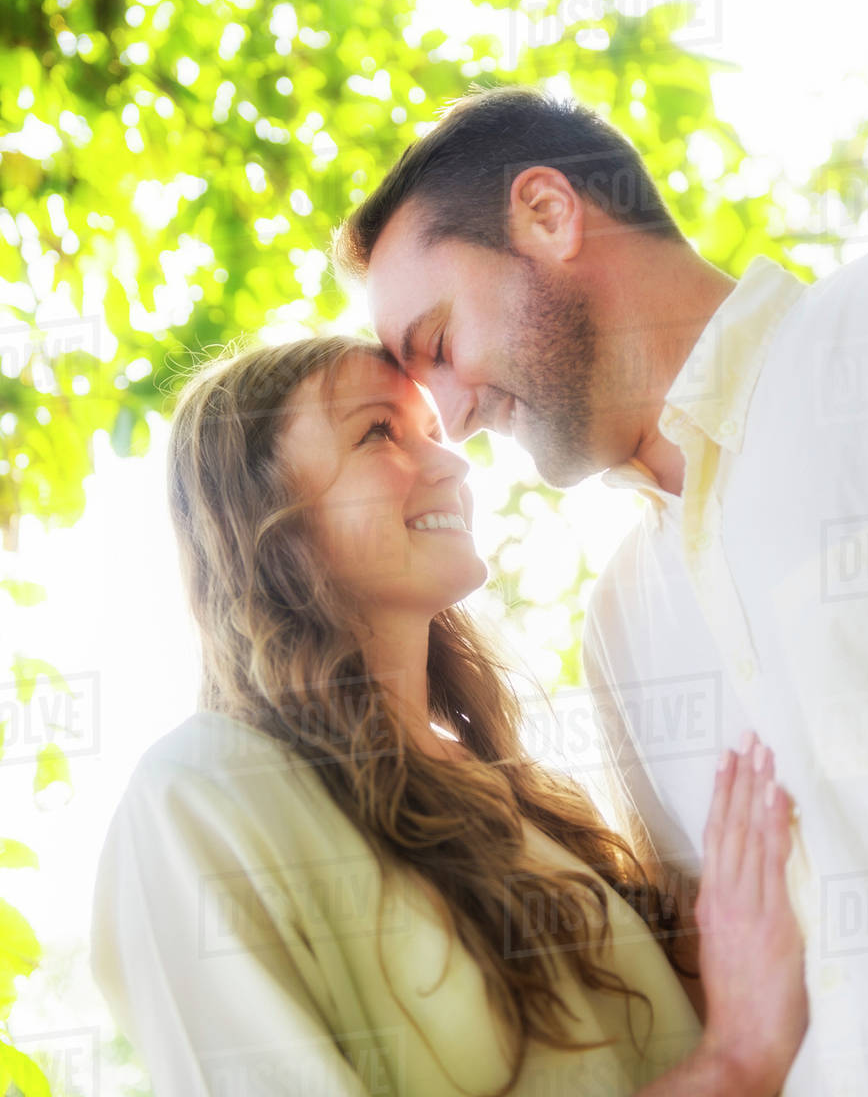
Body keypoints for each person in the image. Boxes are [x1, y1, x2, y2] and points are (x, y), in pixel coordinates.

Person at [334, 84, 868, 1094]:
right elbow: (716, 992)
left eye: (441, 346)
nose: (448, 420)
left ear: (548, 214)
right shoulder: (623, 631)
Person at [90, 335, 805, 1096]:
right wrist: (735, 1059)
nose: (453, 464)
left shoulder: (517, 796)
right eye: (377, 433)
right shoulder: (199, 794)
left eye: (431, 432)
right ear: (264, 514)